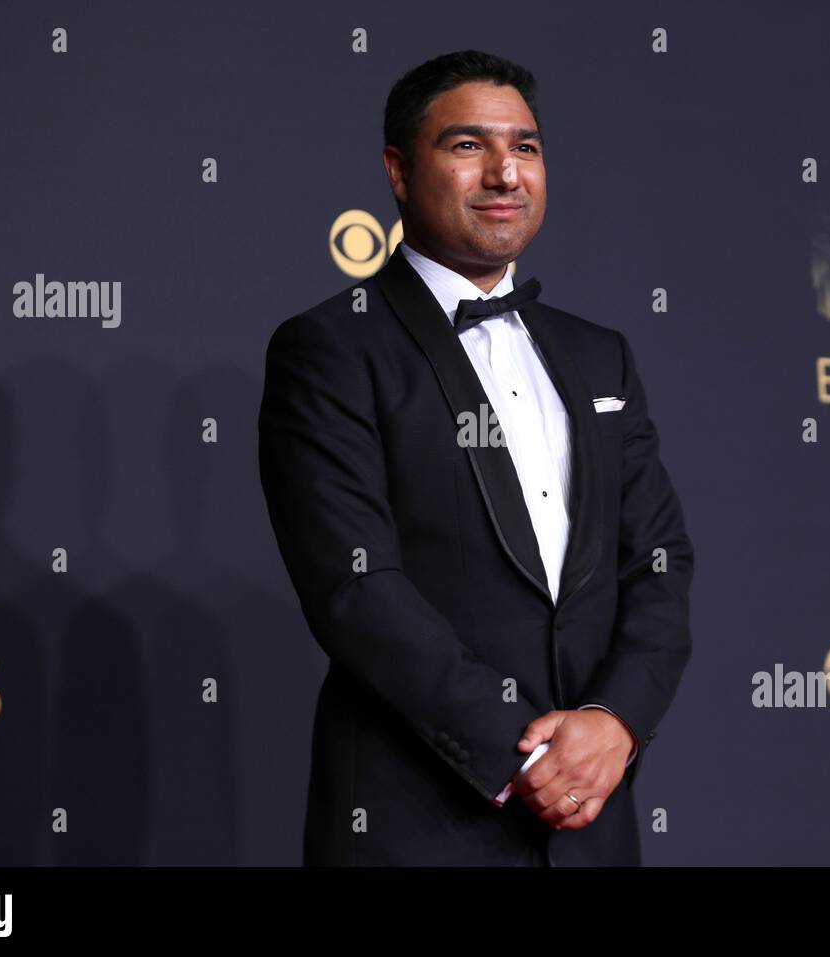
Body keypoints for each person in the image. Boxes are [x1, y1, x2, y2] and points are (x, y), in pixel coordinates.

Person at [258, 49, 693, 866]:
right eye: (467, 146)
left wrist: (615, 722)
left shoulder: (602, 356)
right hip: (420, 825)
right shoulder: (331, 348)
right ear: (397, 170)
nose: (504, 173)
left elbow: (661, 562)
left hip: (594, 827)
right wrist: (523, 758)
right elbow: (355, 587)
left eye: (524, 147)